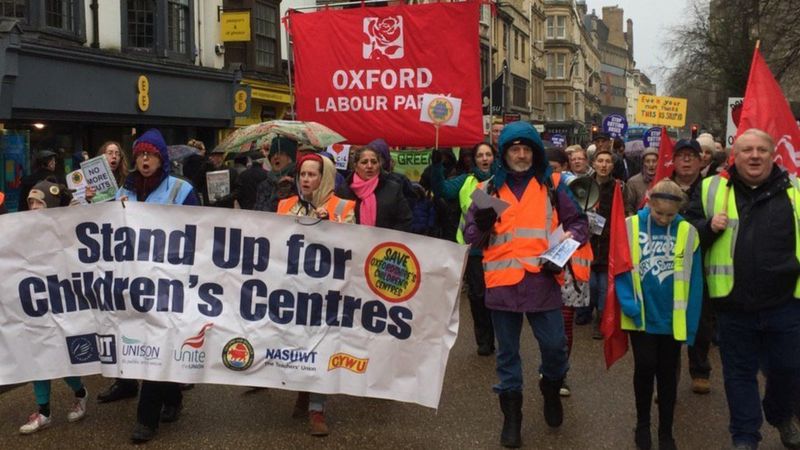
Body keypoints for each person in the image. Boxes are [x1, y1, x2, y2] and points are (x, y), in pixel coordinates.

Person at [464, 121, 588, 448]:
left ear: (534, 152)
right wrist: (481, 223)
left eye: (526, 149)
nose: (521, 155)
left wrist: (562, 249)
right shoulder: (490, 190)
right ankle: (512, 418)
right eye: (514, 149)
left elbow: (578, 225)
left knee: (555, 346)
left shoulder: (551, 185)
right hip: (502, 284)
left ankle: (550, 386)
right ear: (504, 153)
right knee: (507, 356)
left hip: (541, 280)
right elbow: (471, 238)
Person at [685, 128, 800, 450]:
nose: (754, 155)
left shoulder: (796, 191)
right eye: (747, 149)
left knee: (788, 370)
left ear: (773, 155)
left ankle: (780, 415)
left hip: (786, 304)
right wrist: (707, 227)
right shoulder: (710, 189)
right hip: (734, 305)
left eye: (761, 150)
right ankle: (745, 437)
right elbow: (686, 233)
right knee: (739, 375)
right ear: (735, 155)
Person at [116, 129, 198, 443]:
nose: (145, 160)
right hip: (136, 282)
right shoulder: (125, 190)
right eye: (140, 155)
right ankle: (174, 397)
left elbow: (197, 232)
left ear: (161, 158)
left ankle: (146, 420)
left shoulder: (181, 189)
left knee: (157, 344)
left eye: (150, 154)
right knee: (151, 343)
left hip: (170, 282)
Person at [617, 179, 703, 450]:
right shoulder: (630, 225)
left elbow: (696, 281)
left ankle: (666, 430)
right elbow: (618, 268)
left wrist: (691, 323)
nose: (665, 219)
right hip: (640, 314)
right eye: (659, 213)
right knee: (644, 368)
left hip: (672, 318)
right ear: (648, 204)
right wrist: (627, 304)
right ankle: (643, 424)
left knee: (667, 375)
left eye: (671, 214)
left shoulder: (688, 232)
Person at [277, 153, 355, 437]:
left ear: (325, 178)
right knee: (297, 344)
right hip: (295, 291)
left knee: (323, 346)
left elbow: (354, 245)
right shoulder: (286, 205)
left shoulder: (343, 207)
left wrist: (331, 226)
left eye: (312, 175)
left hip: (328, 294)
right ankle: (302, 391)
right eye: (303, 175)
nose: (306, 180)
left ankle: (317, 408)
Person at [18, 180, 89, 434]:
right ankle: (44, 411)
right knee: (38, 356)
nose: (34, 207)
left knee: (61, 356)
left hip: (62, 303)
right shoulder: (21, 229)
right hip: (35, 303)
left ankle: (80, 392)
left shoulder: (63, 228)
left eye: (40, 202)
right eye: (31, 202)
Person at [430, 142, 497, 355]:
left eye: (488, 155)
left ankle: (502, 335)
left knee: (497, 295)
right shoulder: (466, 180)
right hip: (474, 248)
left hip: (500, 247)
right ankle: (484, 340)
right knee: (478, 296)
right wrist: (436, 166)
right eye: (480, 155)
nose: (485, 159)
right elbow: (442, 190)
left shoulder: (505, 179)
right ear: (474, 159)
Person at [575, 147, 617, 337]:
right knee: (590, 283)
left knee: (604, 287)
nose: (604, 165)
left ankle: (601, 320)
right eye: (600, 161)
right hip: (588, 244)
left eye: (608, 161)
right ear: (593, 164)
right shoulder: (585, 186)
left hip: (609, 244)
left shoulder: (619, 187)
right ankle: (586, 310)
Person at [335, 146, 412, 231]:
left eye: (374, 162)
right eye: (364, 162)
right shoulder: (344, 191)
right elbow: (336, 218)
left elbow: (405, 220)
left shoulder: (393, 189)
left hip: (385, 242)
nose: (369, 166)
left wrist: (390, 239)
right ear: (355, 166)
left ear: (379, 165)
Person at [254, 136, 298, 212]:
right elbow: (259, 213)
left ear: (291, 158)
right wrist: (277, 196)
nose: (275, 157)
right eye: (273, 154)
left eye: (281, 153)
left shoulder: (299, 181)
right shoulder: (264, 185)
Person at [624, 147, 658, 216]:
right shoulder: (633, 182)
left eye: (654, 161)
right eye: (647, 161)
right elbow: (629, 207)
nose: (651, 165)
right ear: (643, 163)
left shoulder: (664, 181)